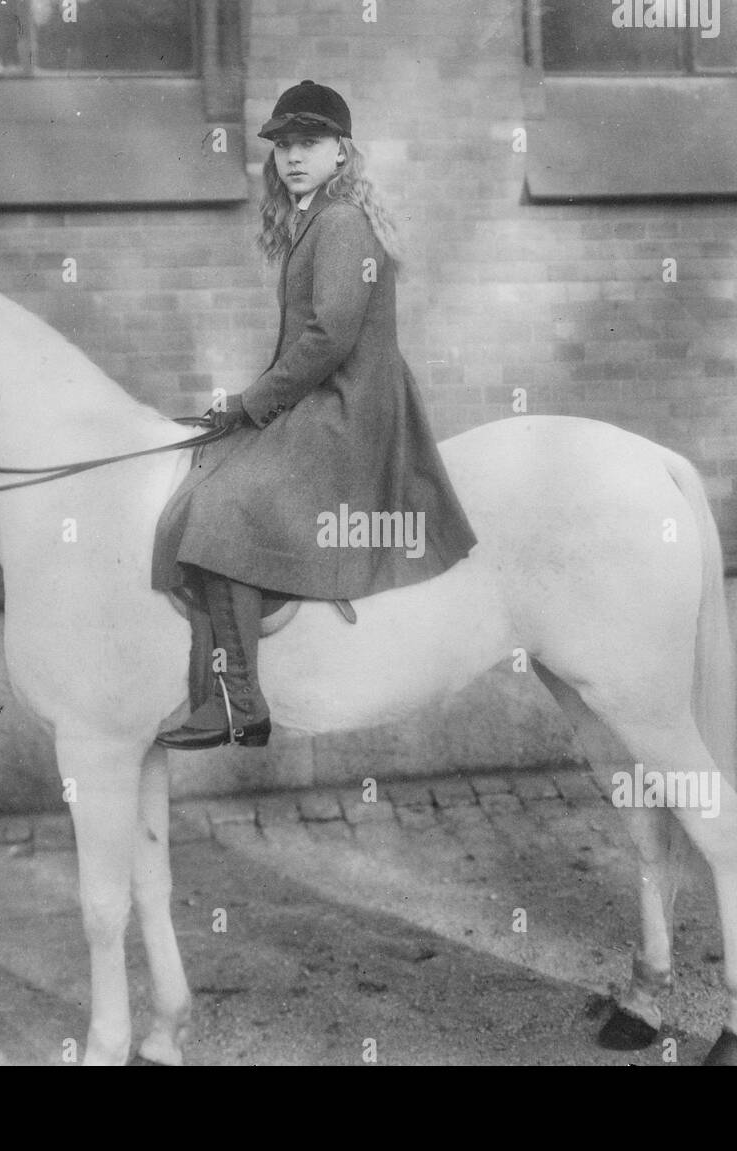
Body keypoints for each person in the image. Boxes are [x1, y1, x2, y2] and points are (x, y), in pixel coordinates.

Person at [152, 79, 478, 750]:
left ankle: (239, 703)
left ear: (341, 152)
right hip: (326, 397)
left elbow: (330, 336)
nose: (294, 157)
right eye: (283, 146)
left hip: (351, 409)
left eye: (310, 143)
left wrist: (253, 401)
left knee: (224, 506)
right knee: (208, 465)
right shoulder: (316, 217)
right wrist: (247, 407)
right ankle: (214, 690)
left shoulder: (341, 222)